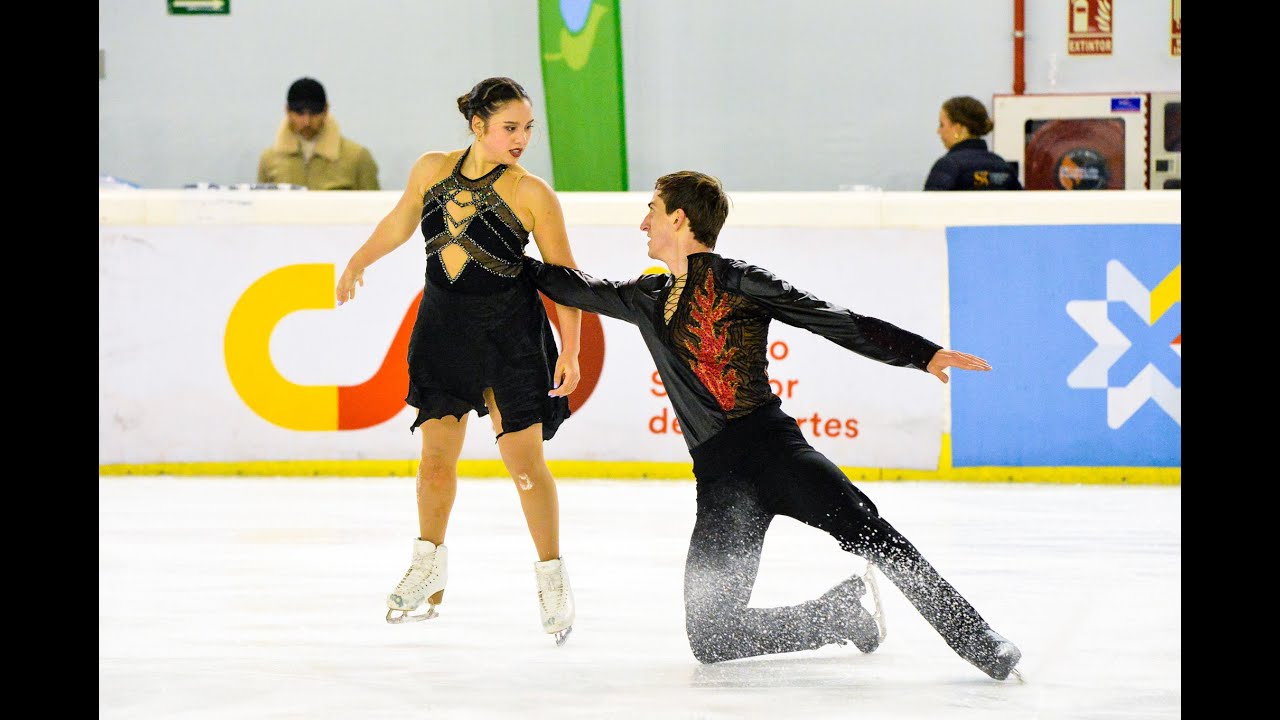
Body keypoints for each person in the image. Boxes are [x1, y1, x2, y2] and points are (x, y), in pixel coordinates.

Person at [523, 171, 1023, 680]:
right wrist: (495, 254)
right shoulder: (646, 297)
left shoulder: (739, 280)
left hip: (775, 455)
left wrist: (923, 353)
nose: (643, 222)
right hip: (721, 483)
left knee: (874, 534)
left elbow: (833, 319)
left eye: (651, 209)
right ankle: (836, 615)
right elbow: (570, 285)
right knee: (711, 637)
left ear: (679, 218)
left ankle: (978, 638)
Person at [334, 77, 582, 645]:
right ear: (478, 126)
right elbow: (400, 223)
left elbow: (565, 279)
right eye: (510, 128)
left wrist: (569, 348)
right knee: (435, 463)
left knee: (523, 464)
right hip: (444, 329)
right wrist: (357, 260)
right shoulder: (431, 169)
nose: (521, 139)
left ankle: (552, 577)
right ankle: (429, 565)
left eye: (527, 129)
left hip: (510, 337)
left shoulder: (531, 193)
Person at [258, 77, 381, 190]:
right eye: (300, 113)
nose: (307, 121)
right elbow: (262, 208)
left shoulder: (357, 157)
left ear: (326, 110)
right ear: (287, 111)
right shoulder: (269, 159)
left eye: (314, 112)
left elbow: (376, 208)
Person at [924, 96, 1022, 191]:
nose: (938, 131)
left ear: (957, 128)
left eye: (942, 125)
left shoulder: (947, 166)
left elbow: (930, 206)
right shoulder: (1002, 166)